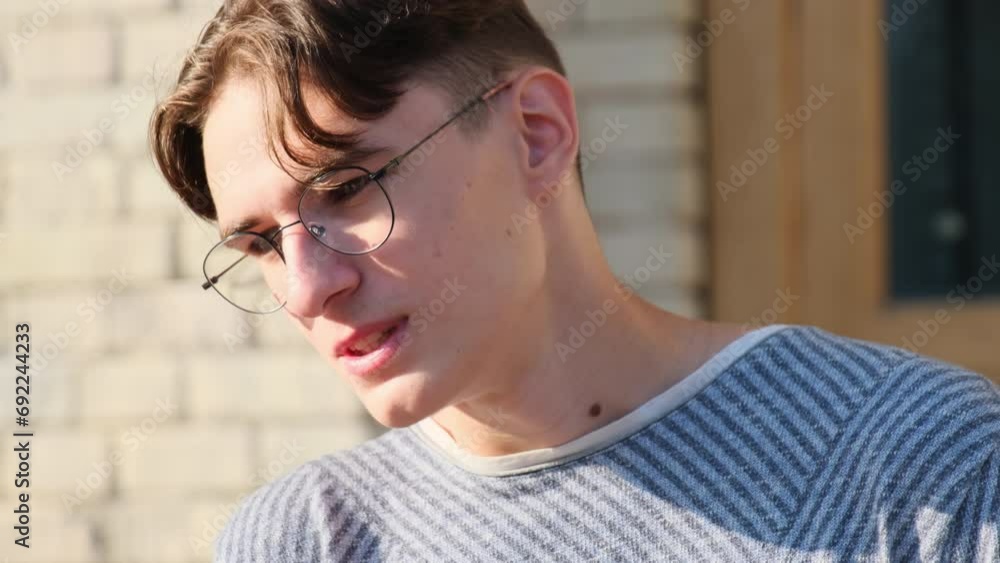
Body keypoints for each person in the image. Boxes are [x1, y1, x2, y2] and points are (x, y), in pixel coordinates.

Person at [149, 1, 1000, 561]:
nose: (304, 290)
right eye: (260, 244)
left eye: (344, 188)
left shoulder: (921, 466)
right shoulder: (303, 539)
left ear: (537, 133)